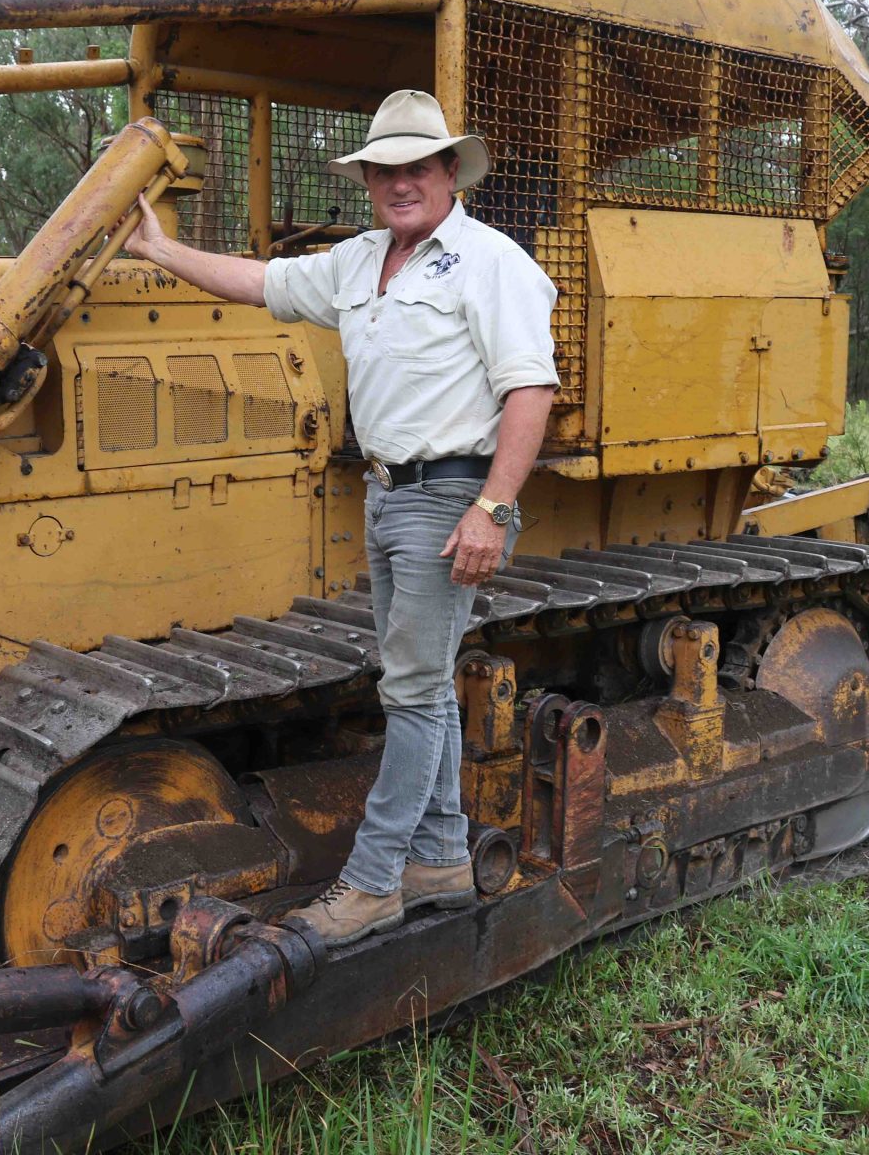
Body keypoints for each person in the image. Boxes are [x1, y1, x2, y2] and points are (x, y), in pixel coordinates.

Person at [123, 89, 560, 946]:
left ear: (447, 173)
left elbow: (530, 388)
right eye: (384, 171)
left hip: (454, 493)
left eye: (417, 168)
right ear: (369, 181)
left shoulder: (490, 260)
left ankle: (372, 884)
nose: (401, 184)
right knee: (422, 685)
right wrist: (162, 249)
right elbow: (260, 282)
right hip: (390, 491)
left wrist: (493, 508)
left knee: (412, 689)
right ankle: (437, 859)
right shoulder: (360, 261)